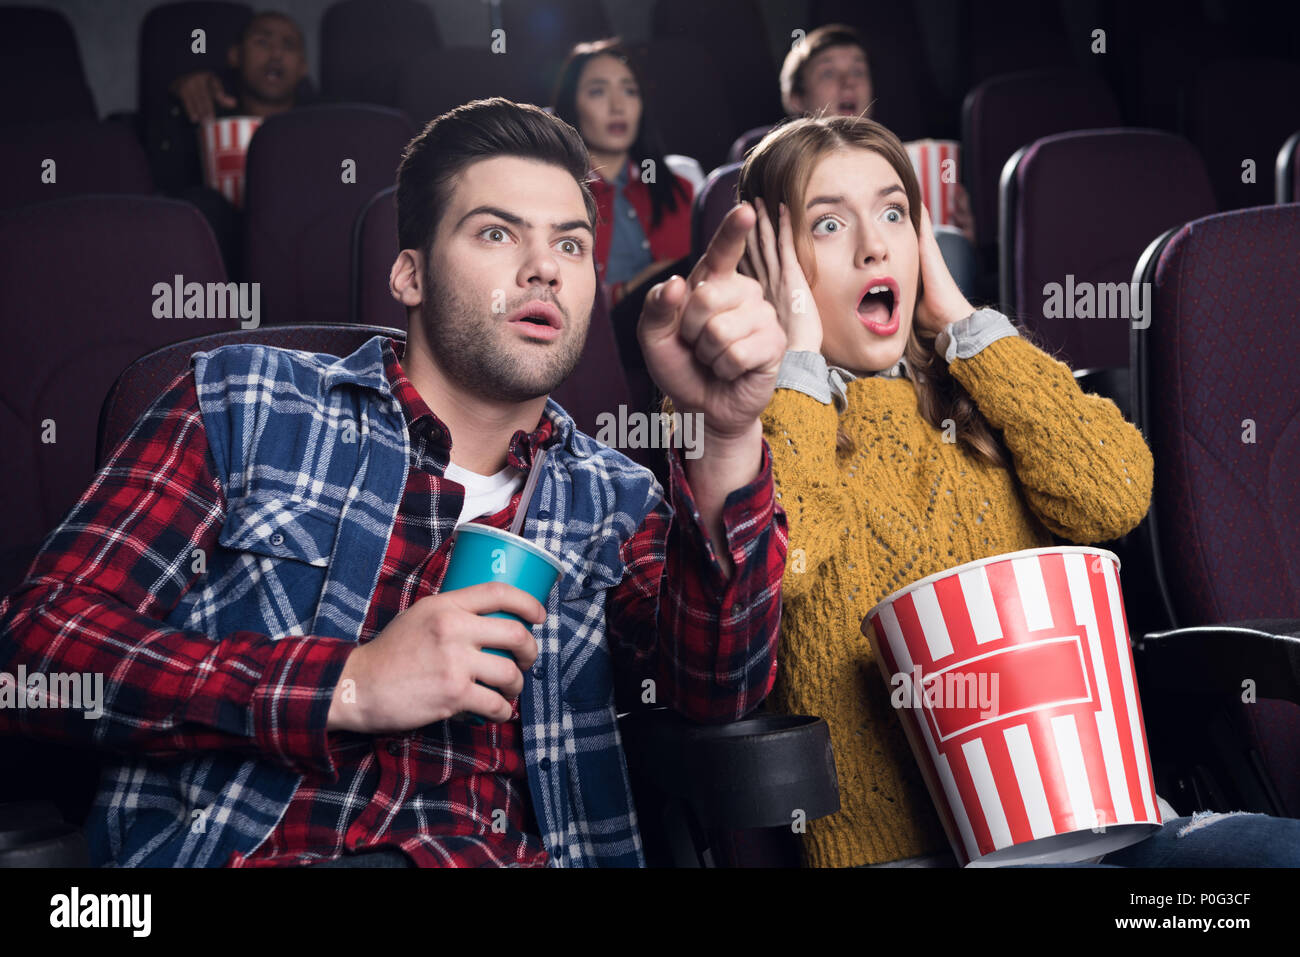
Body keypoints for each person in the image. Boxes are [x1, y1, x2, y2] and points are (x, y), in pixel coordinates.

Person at [0, 98, 789, 868]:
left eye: (573, 246)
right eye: (495, 232)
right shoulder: (242, 402)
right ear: (408, 274)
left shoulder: (617, 498)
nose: (545, 266)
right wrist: (347, 685)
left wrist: (722, 434)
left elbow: (716, 693)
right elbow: (35, 655)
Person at [740, 113, 1300, 868]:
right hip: (907, 853)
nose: (875, 244)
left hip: (1100, 830)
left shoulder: (980, 381)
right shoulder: (755, 423)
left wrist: (963, 322)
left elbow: (1114, 493)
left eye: (895, 214)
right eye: (830, 222)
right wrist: (796, 364)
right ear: (775, 265)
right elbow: (784, 556)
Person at [769, 24, 976, 245]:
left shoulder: (901, 161)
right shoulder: (780, 170)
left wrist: (963, 243)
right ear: (796, 97)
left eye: (858, 71)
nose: (848, 82)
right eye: (828, 73)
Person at [153, 10, 313, 274]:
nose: (275, 54)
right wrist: (176, 97)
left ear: (303, 67)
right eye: (262, 42)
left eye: (288, 45)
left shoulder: (324, 129)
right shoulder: (198, 117)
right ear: (234, 55)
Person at [552, 39, 694, 309]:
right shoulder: (555, 195)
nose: (618, 106)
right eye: (598, 92)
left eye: (630, 91)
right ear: (571, 105)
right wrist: (627, 292)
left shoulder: (681, 188)